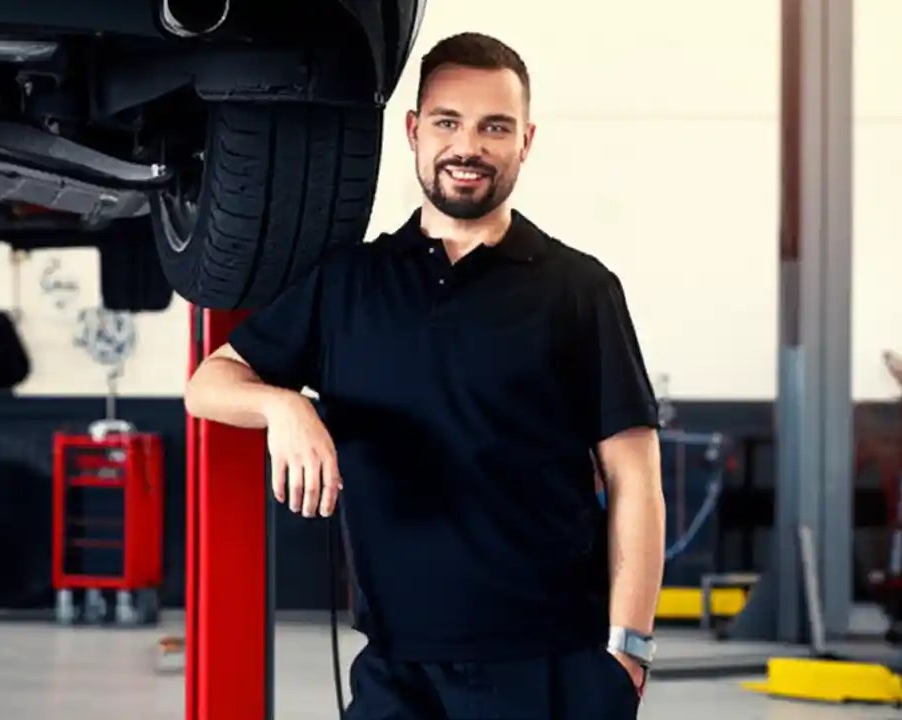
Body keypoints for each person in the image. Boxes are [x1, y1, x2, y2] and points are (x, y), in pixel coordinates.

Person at [184, 31, 665, 720]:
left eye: (494, 127)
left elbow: (635, 479)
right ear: (413, 131)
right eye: (447, 122)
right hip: (395, 669)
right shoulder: (349, 282)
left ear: (525, 141)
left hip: (549, 665)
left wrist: (628, 651)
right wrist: (285, 407)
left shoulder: (579, 290)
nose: (468, 146)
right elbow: (208, 385)